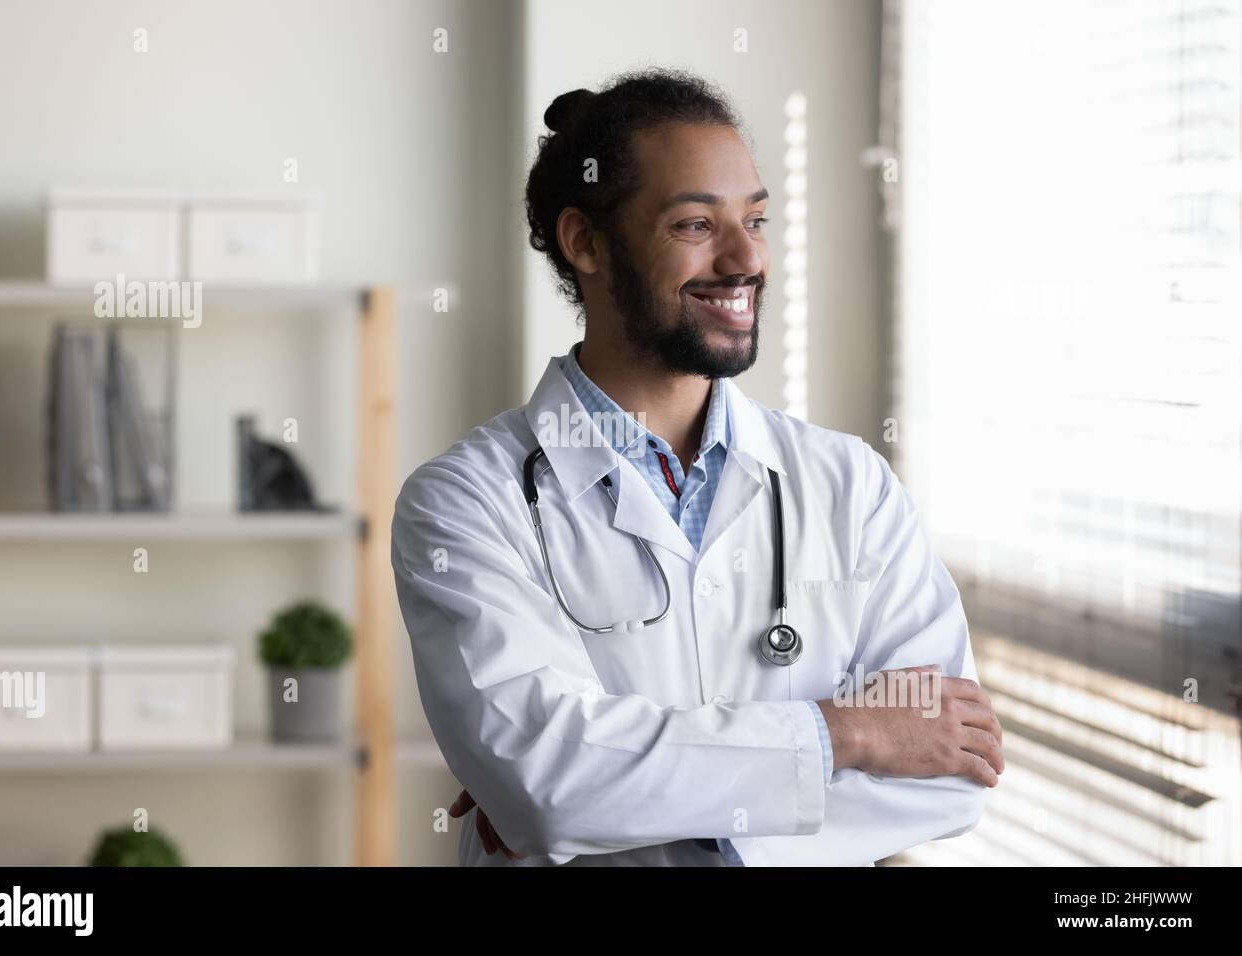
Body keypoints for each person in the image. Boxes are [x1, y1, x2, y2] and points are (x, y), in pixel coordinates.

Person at [391, 68, 1003, 867]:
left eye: (756, 218)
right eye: (694, 225)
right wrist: (848, 734)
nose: (746, 257)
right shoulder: (465, 502)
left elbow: (953, 770)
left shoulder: (850, 486)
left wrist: (622, 796)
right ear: (585, 243)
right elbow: (547, 784)